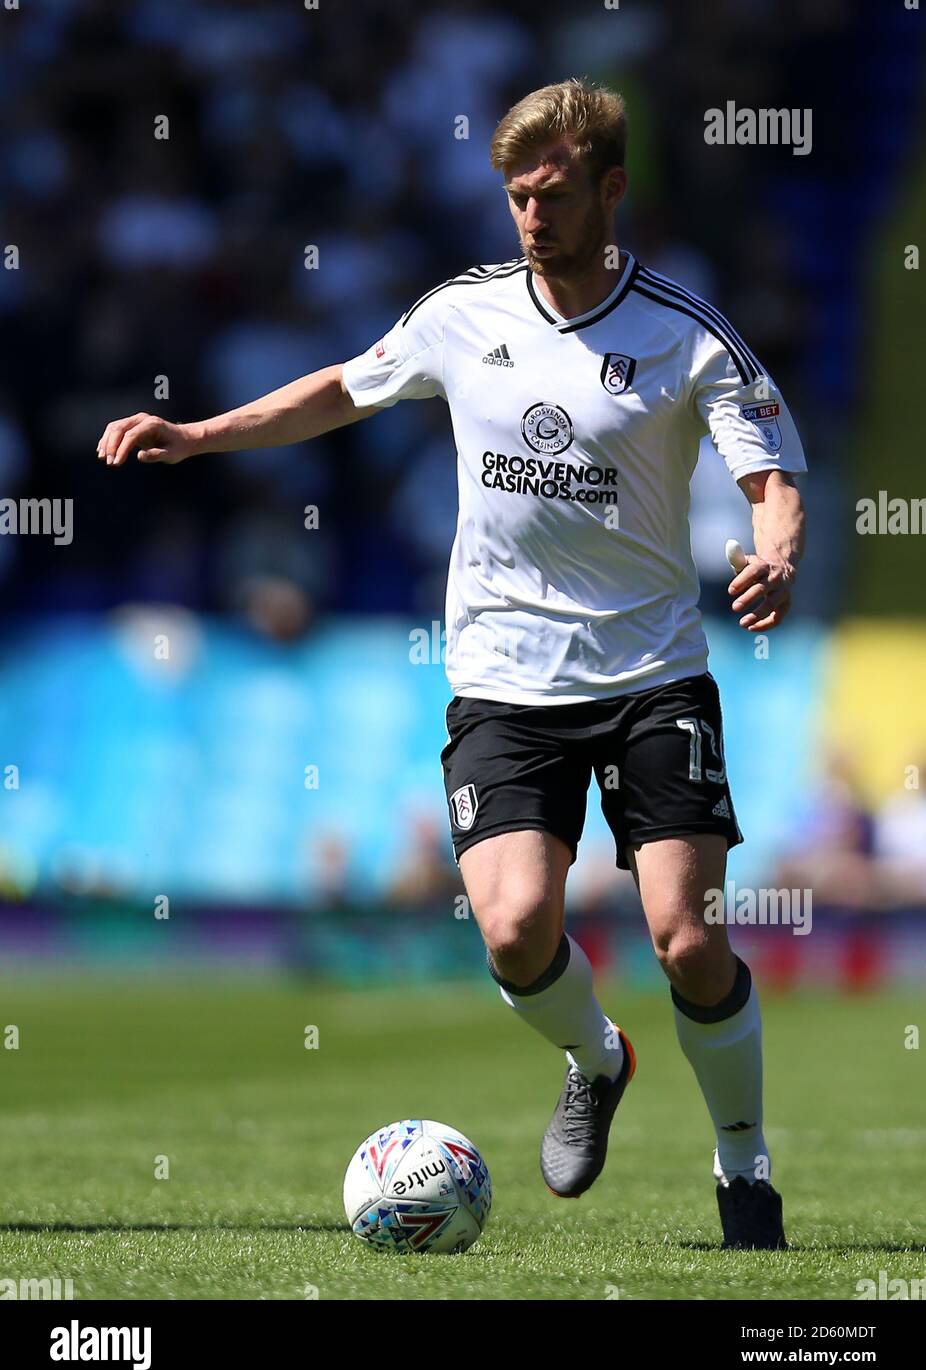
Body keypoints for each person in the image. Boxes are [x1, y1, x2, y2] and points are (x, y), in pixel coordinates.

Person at [97, 78, 806, 1250]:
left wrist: (773, 554)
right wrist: (201, 433)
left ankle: (743, 1167)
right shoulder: (461, 312)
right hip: (501, 681)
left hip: (649, 675)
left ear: (611, 189)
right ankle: (596, 1057)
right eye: (517, 195)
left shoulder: (683, 332)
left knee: (686, 939)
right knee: (514, 929)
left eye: (554, 194)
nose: (532, 216)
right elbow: (343, 386)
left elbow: (769, 474)